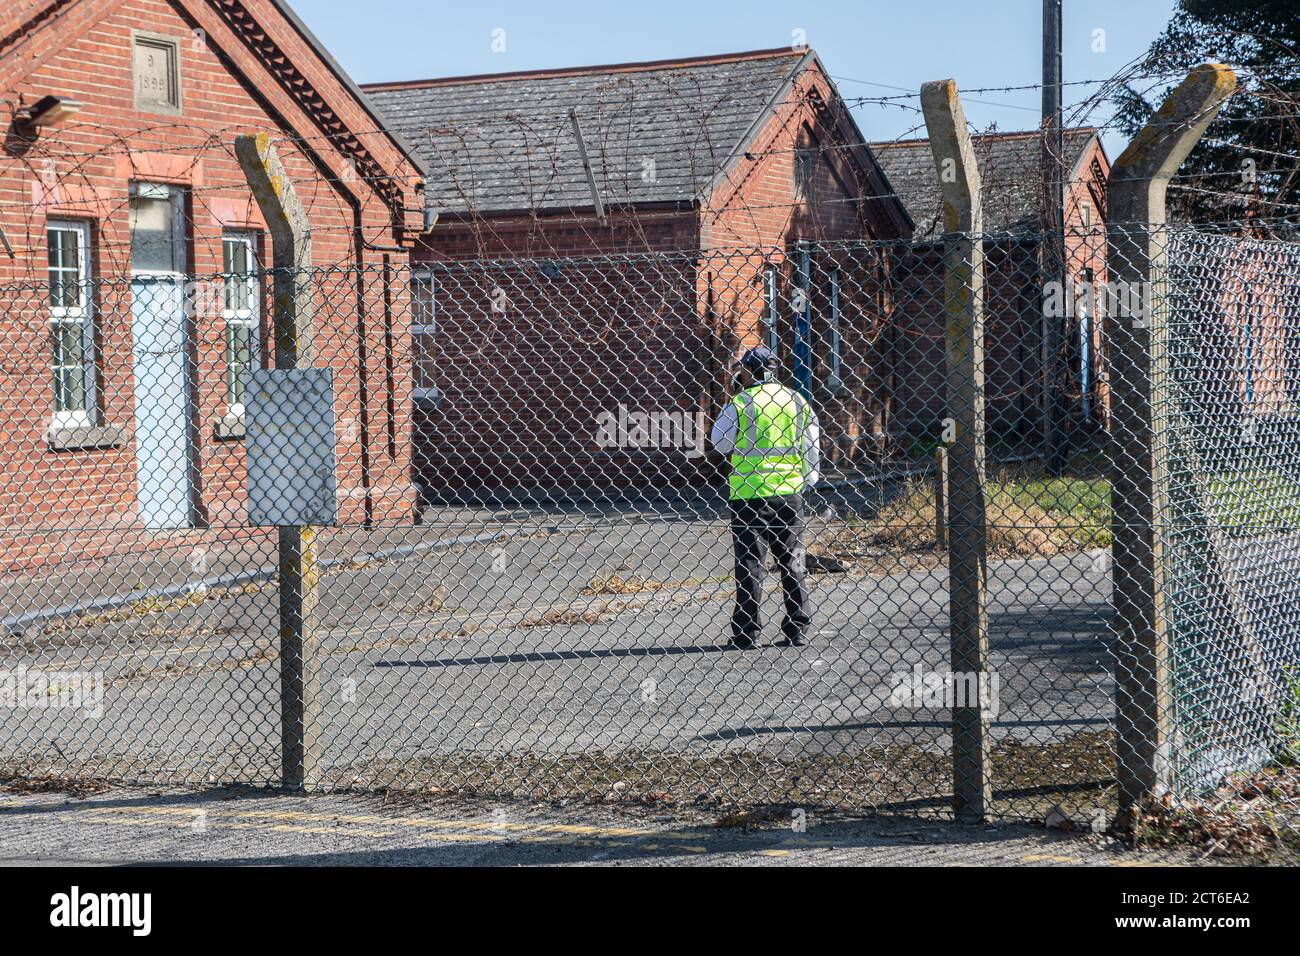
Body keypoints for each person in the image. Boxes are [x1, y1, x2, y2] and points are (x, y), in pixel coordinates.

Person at [709, 346, 820, 649]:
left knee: (749, 563)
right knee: (793, 559)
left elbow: (719, 444)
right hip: (788, 492)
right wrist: (808, 478)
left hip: (750, 493)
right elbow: (811, 444)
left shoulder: (742, 402)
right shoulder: (797, 400)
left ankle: (747, 631)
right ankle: (797, 626)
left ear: (747, 370)